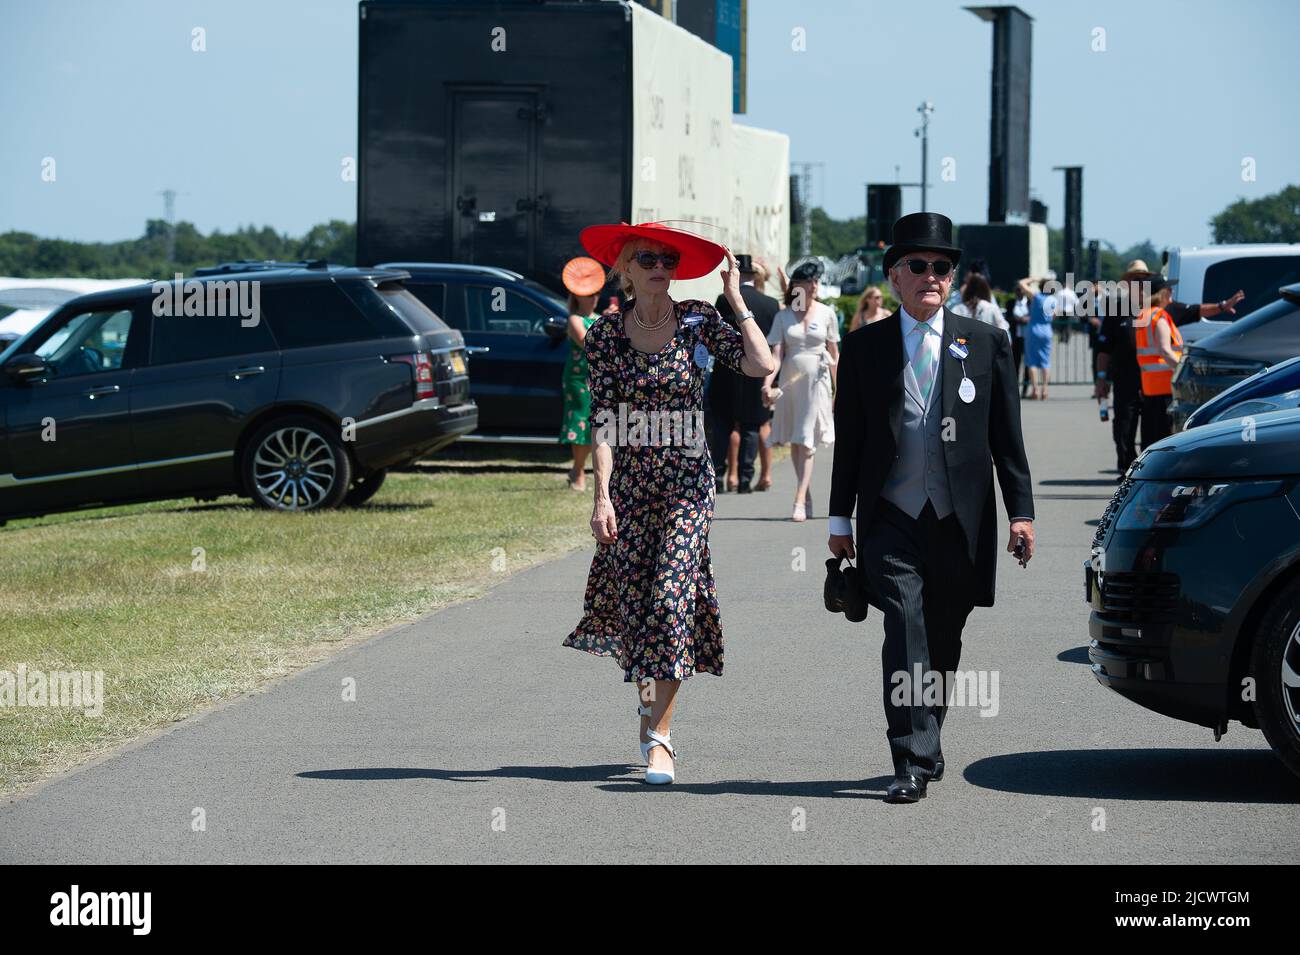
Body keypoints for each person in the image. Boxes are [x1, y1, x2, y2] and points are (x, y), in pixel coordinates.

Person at [828, 211, 1036, 804]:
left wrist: (1021, 511)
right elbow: (852, 440)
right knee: (905, 625)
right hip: (891, 516)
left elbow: (1007, 438)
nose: (931, 276)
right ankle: (911, 758)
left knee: (943, 635)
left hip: (958, 522)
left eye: (942, 267)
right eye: (917, 266)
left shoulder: (987, 343)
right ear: (894, 275)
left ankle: (929, 734)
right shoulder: (864, 346)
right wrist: (840, 519)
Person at [563, 221, 777, 786]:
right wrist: (601, 496)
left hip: (686, 480)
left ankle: (660, 738)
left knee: (670, 595)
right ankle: (650, 705)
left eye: (668, 258)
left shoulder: (699, 320)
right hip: (631, 484)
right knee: (637, 605)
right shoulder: (607, 335)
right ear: (627, 269)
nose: (660, 265)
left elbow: (760, 365)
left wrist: (734, 298)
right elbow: (604, 420)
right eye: (648, 258)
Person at [762, 260, 840, 521]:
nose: (815, 286)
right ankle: (805, 493)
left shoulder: (826, 313)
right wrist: (766, 382)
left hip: (817, 381)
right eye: (810, 281)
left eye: (816, 281)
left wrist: (839, 389)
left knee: (807, 441)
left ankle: (798, 499)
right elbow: (776, 354)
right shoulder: (783, 316)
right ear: (797, 285)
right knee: (797, 440)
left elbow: (834, 354)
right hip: (790, 380)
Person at [714, 254, 781, 493]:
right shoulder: (771, 304)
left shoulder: (724, 299)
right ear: (755, 276)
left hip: (728, 370)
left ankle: (720, 477)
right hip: (757, 370)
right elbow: (774, 344)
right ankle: (745, 479)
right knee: (752, 426)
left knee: (725, 424)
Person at [557, 256, 607, 490]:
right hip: (578, 379)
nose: (594, 298)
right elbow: (587, 342)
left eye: (595, 293)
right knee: (580, 422)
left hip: (596, 379)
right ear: (577, 296)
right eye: (589, 294)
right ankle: (578, 471)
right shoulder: (574, 319)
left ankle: (579, 470)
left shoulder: (598, 319)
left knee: (593, 424)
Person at [1136, 276, 1184, 446]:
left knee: (1151, 439)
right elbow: (1165, 350)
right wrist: (1183, 370)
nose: (1171, 292)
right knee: (1164, 440)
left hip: (1150, 387)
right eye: (1168, 289)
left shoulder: (1144, 315)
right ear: (1160, 293)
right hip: (1165, 387)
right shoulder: (1159, 316)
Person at [1017, 275, 1057, 400]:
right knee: (1045, 361)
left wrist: (1034, 279)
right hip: (1047, 329)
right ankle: (1045, 389)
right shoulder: (1053, 300)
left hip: (1033, 328)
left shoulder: (1036, 297)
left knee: (1032, 360)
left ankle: (1035, 389)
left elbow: (1021, 283)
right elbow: (1055, 314)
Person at [951, 272, 1010, 338]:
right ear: (986, 289)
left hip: (962, 346)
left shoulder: (957, 309)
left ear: (968, 289)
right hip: (987, 346)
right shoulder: (992, 308)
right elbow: (1004, 332)